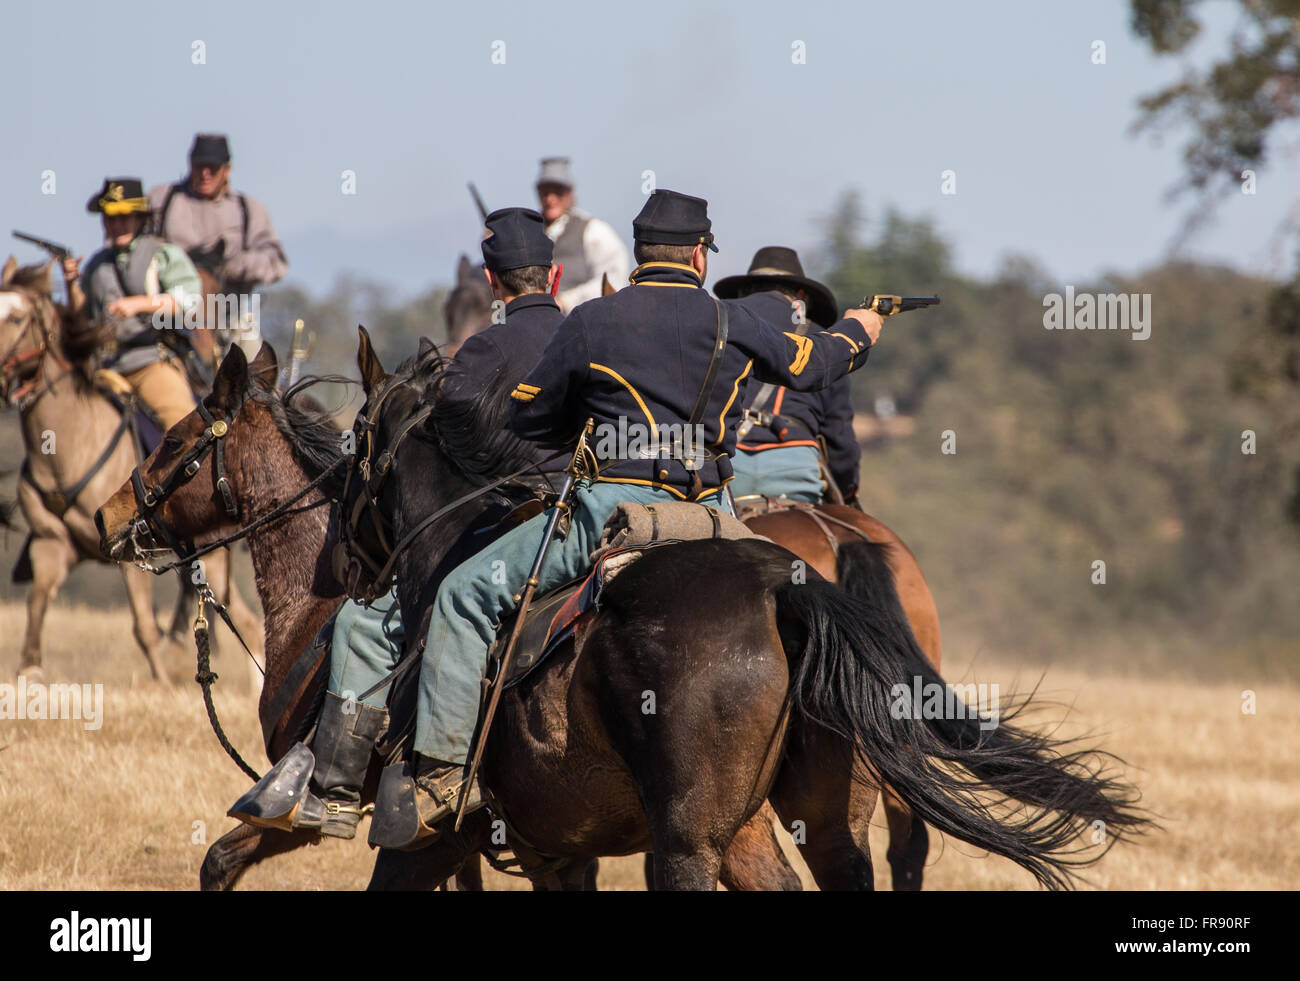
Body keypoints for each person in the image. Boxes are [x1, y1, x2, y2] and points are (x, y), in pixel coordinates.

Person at [369, 189, 886, 848]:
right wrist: (860, 331)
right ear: (700, 255)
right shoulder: (732, 319)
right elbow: (816, 364)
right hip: (714, 515)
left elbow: (531, 415)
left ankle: (443, 780)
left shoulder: (590, 321)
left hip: (609, 513)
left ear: (640, 255)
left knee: (463, 596)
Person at [227, 207, 566, 840]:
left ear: (491, 282)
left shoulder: (481, 351)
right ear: (555, 275)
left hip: (510, 530)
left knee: (361, 621)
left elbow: (445, 456)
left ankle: (343, 787)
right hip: (585, 521)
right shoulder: (583, 335)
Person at [713, 246, 861, 504]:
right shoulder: (827, 346)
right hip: (794, 469)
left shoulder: (714, 327)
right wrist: (847, 490)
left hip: (724, 468)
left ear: (743, 292)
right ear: (801, 296)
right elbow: (840, 442)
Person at [63, 178, 202, 428]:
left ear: (140, 218)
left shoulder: (161, 253)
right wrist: (71, 283)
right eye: (111, 218)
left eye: (125, 217)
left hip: (150, 363)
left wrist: (140, 304)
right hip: (105, 368)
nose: (118, 224)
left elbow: (189, 299)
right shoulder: (96, 264)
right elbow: (81, 318)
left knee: (184, 427)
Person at [148, 133, 288, 358]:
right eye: (199, 166)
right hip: (165, 317)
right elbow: (137, 249)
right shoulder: (161, 200)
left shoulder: (248, 209)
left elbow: (277, 263)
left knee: (259, 367)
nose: (205, 174)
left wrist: (233, 265)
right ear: (189, 164)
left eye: (212, 168)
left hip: (229, 317)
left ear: (227, 169)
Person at [535, 157, 630, 312]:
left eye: (557, 191)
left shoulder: (594, 231)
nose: (550, 199)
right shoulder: (529, 232)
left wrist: (565, 301)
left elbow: (613, 281)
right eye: (545, 192)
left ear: (570, 193)